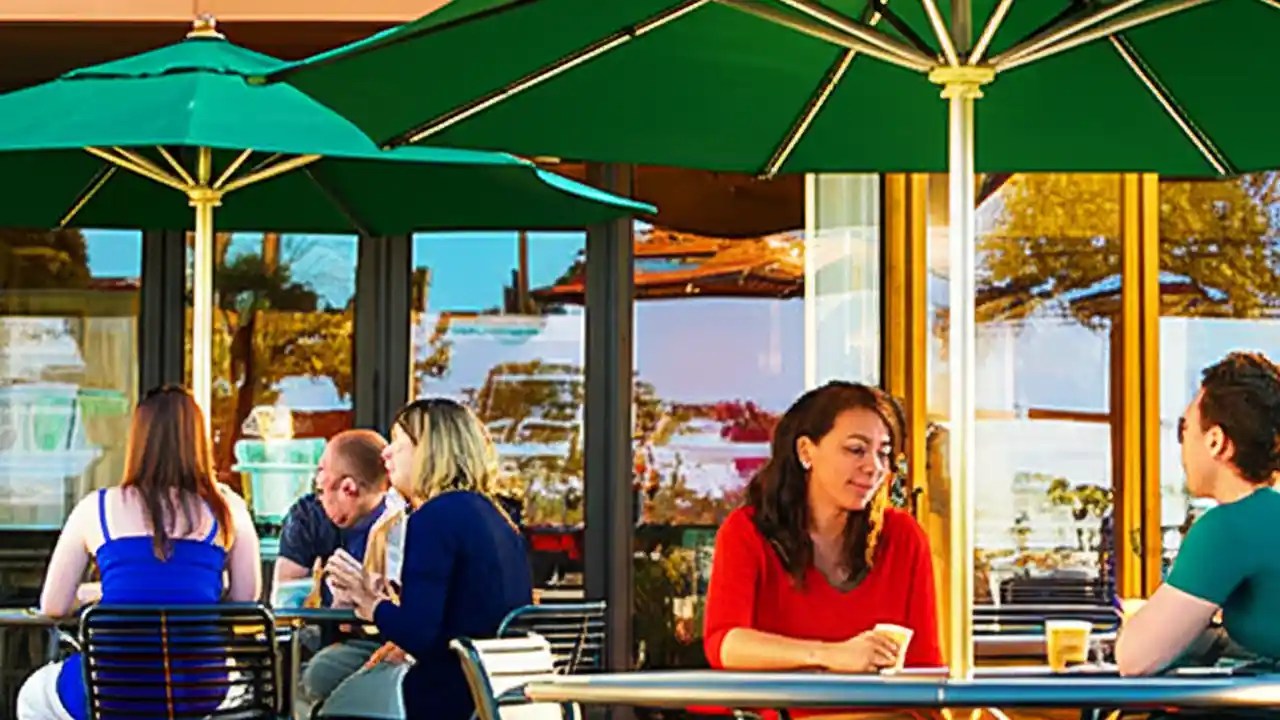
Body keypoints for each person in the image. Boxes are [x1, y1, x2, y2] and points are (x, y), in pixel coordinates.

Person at [17, 385, 261, 720]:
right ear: (198, 441)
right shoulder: (228, 509)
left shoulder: (96, 508)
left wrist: (97, 591)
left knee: (32, 695)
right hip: (198, 690)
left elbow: (54, 606)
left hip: (113, 689)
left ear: (138, 440)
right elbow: (245, 600)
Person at [702, 381, 942, 713]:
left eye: (883, 453)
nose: (873, 466)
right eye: (856, 450)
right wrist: (831, 656)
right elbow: (725, 644)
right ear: (805, 452)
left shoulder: (904, 537)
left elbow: (925, 665)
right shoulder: (747, 532)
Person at [324, 398, 533, 720]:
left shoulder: (433, 517)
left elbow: (420, 634)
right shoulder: (497, 517)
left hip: (446, 695)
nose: (386, 453)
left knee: (328, 705)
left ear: (429, 451)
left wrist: (370, 603)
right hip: (498, 691)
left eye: (398, 442)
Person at [1117, 351, 1280, 676]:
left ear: (1216, 441)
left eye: (1185, 430)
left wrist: (1138, 620)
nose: (1181, 448)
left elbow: (1134, 660)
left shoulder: (1231, 527)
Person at [273, 429, 402, 720]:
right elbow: (285, 601)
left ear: (348, 488)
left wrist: (363, 597)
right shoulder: (309, 517)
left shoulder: (398, 524)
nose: (317, 484)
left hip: (390, 646)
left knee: (317, 673)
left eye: (322, 475)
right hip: (332, 643)